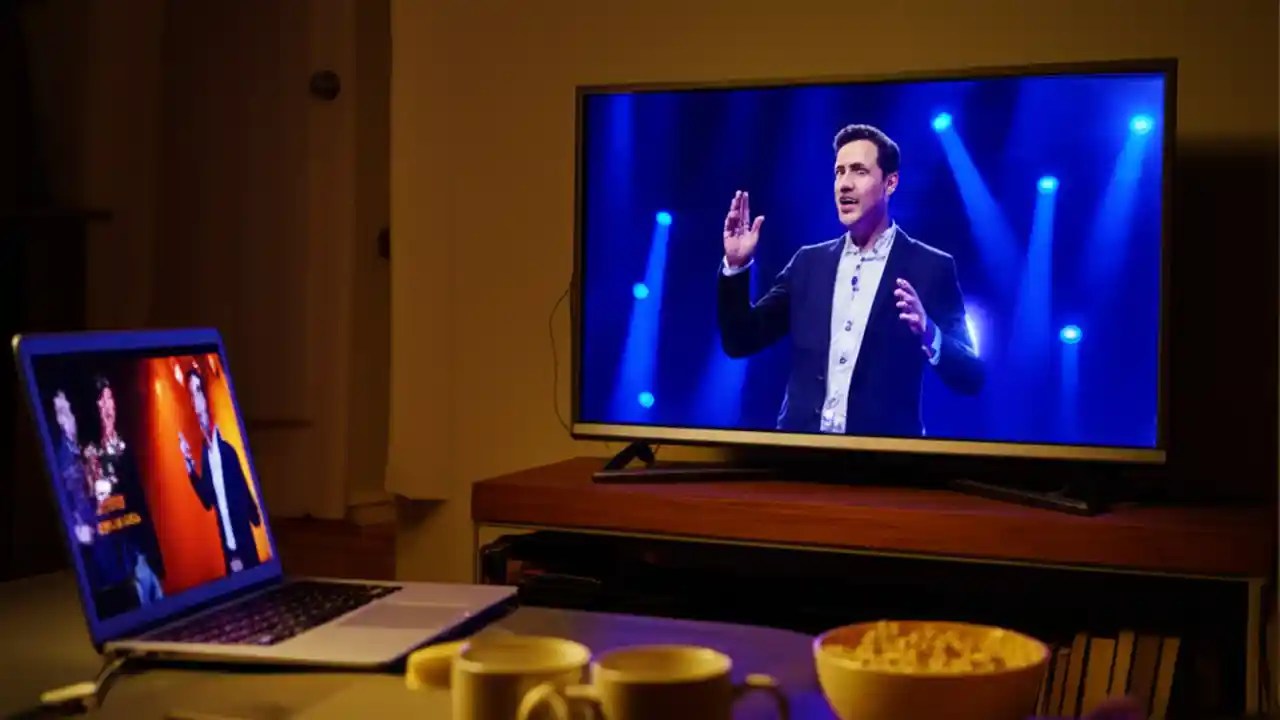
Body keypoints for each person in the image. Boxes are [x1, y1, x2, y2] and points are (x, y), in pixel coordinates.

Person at [717, 123, 984, 438]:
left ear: (890, 183)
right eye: (839, 172)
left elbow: (971, 376)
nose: (844, 184)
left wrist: (929, 333)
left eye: (859, 171)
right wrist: (736, 267)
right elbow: (740, 341)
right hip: (801, 452)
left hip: (882, 456)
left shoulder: (930, 267)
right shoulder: (808, 263)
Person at [179, 367, 262, 575]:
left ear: (206, 397)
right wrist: (189, 464)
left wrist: (254, 518)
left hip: (243, 547)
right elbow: (208, 501)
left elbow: (242, 493)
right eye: (192, 395)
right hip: (230, 550)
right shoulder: (206, 454)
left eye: (198, 391)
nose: (196, 401)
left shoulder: (226, 451)